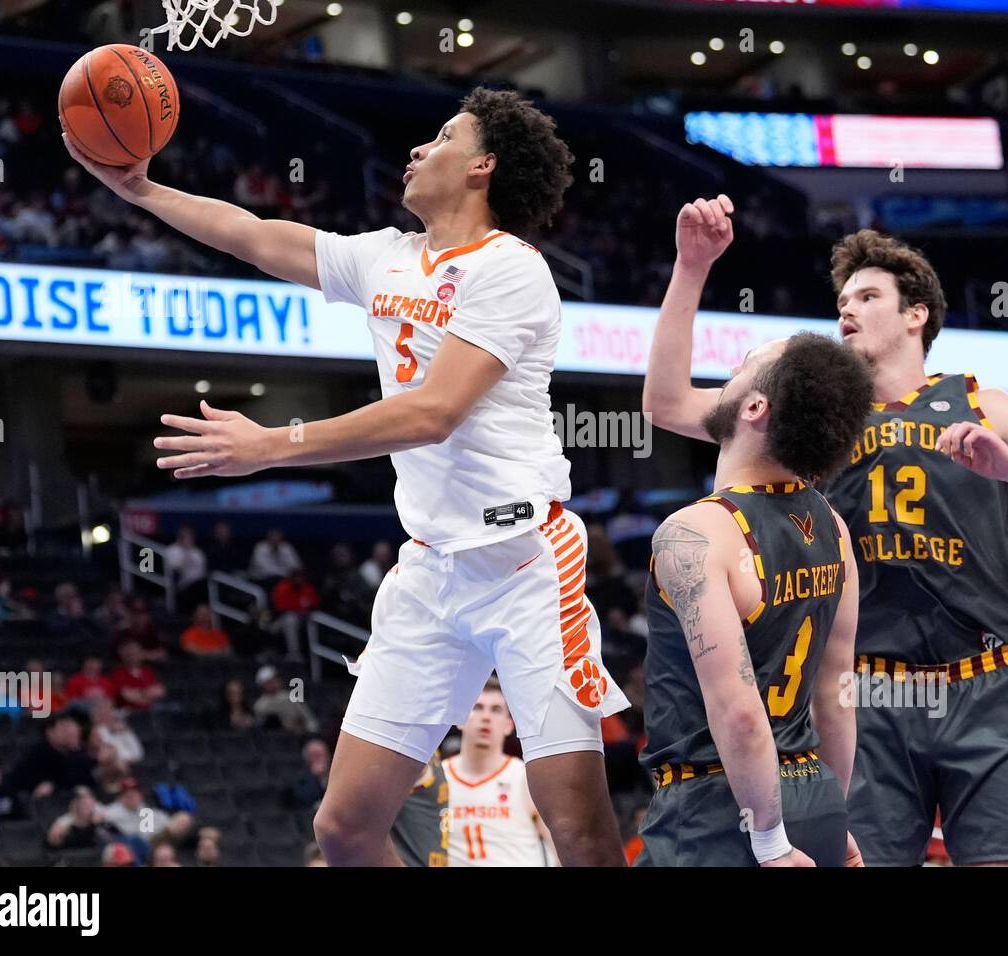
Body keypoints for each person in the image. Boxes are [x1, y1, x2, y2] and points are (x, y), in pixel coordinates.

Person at [69, 86, 629, 865]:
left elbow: (432, 412)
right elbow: (254, 235)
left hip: (528, 561)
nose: (416, 150)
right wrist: (140, 188)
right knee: (343, 828)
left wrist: (271, 444)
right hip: (431, 570)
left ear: (483, 166)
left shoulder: (512, 271)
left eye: (440, 137)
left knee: (576, 824)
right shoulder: (386, 258)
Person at [642, 215, 1008, 867]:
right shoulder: (810, 423)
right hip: (869, 691)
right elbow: (667, 404)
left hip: (990, 683)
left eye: (868, 296)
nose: (847, 309)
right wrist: (692, 265)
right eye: (842, 301)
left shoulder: (986, 405)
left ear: (917, 315)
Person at [638, 199, 870, 866]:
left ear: (755, 406)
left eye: (741, 363)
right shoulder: (832, 525)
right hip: (811, 795)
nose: (728, 371)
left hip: (721, 808)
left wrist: (768, 843)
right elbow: (836, 693)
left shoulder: (695, 533)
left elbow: (739, 710)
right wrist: (830, 814)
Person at [442, 681, 554, 866]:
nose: (486, 717)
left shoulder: (526, 778)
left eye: (495, 710)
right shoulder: (439, 778)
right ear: (460, 719)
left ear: (509, 724)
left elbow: (559, 847)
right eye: (477, 708)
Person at [9, 714, 96, 799]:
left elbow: (84, 777)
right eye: (63, 730)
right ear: (50, 733)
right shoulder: (40, 752)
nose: (67, 734)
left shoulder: (68, 751)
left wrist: (77, 749)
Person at [253, 665, 319, 734]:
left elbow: (309, 719)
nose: (273, 683)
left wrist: (311, 732)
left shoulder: (292, 697)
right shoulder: (260, 705)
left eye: (275, 679)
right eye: (269, 682)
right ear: (262, 685)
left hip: (300, 736)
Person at [108, 641, 167, 712]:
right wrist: (147, 693)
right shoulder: (118, 673)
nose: (134, 656)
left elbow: (160, 691)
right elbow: (127, 696)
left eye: (137, 653)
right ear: (123, 656)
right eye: (130, 654)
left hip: (152, 708)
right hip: (129, 711)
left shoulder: (147, 670)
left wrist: (140, 693)